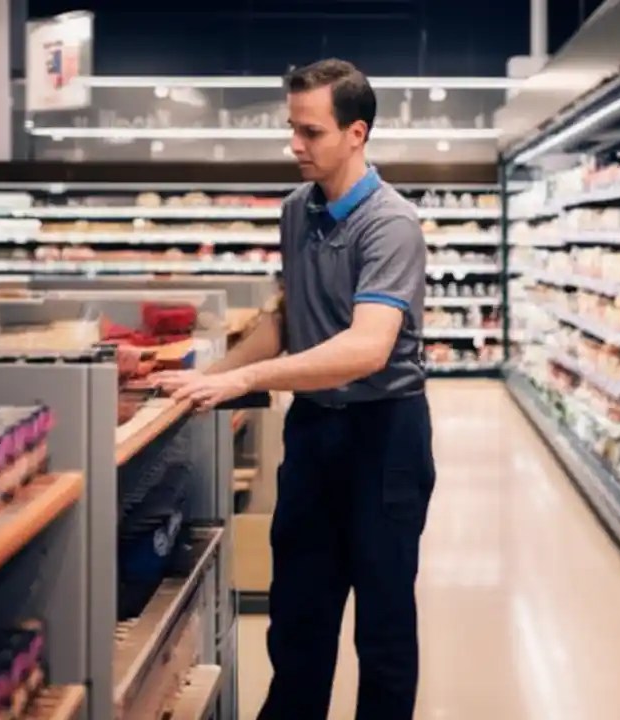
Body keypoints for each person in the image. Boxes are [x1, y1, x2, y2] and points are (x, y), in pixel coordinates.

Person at [152, 58, 436, 720]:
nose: (294, 145)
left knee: (384, 626)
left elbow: (366, 349)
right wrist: (211, 374)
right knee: (298, 619)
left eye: (310, 131)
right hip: (315, 436)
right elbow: (286, 319)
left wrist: (249, 380)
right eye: (292, 128)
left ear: (356, 133)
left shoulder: (391, 223)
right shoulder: (295, 211)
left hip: (384, 437)